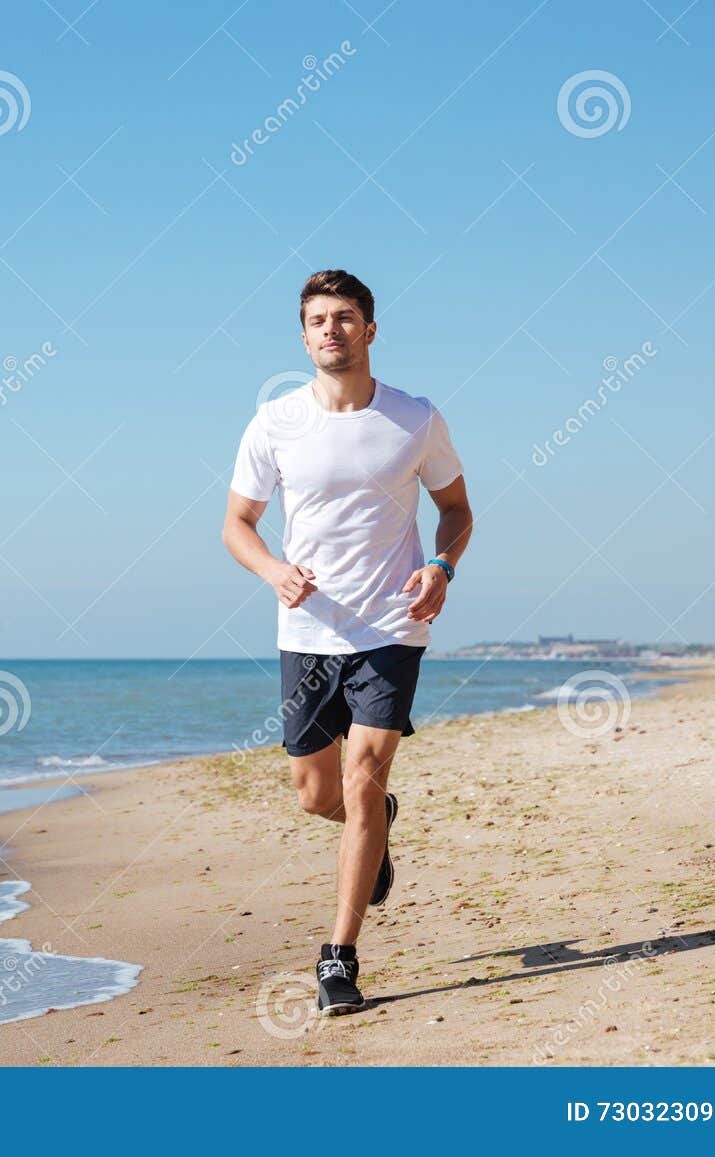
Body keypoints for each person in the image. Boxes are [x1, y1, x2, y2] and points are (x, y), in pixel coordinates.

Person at [221, 270, 473, 1015]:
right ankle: (378, 825)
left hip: (393, 625)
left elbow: (456, 509)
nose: (331, 329)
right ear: (304, 337)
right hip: (307, 631)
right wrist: (273, 570)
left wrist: (441, 566)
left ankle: (339, 957)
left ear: (370, 329)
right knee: (316, 796)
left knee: (362, 774)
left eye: (345, 317)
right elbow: (237, 524)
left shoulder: (415, 418)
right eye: (318, 320)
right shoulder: (274, 423)